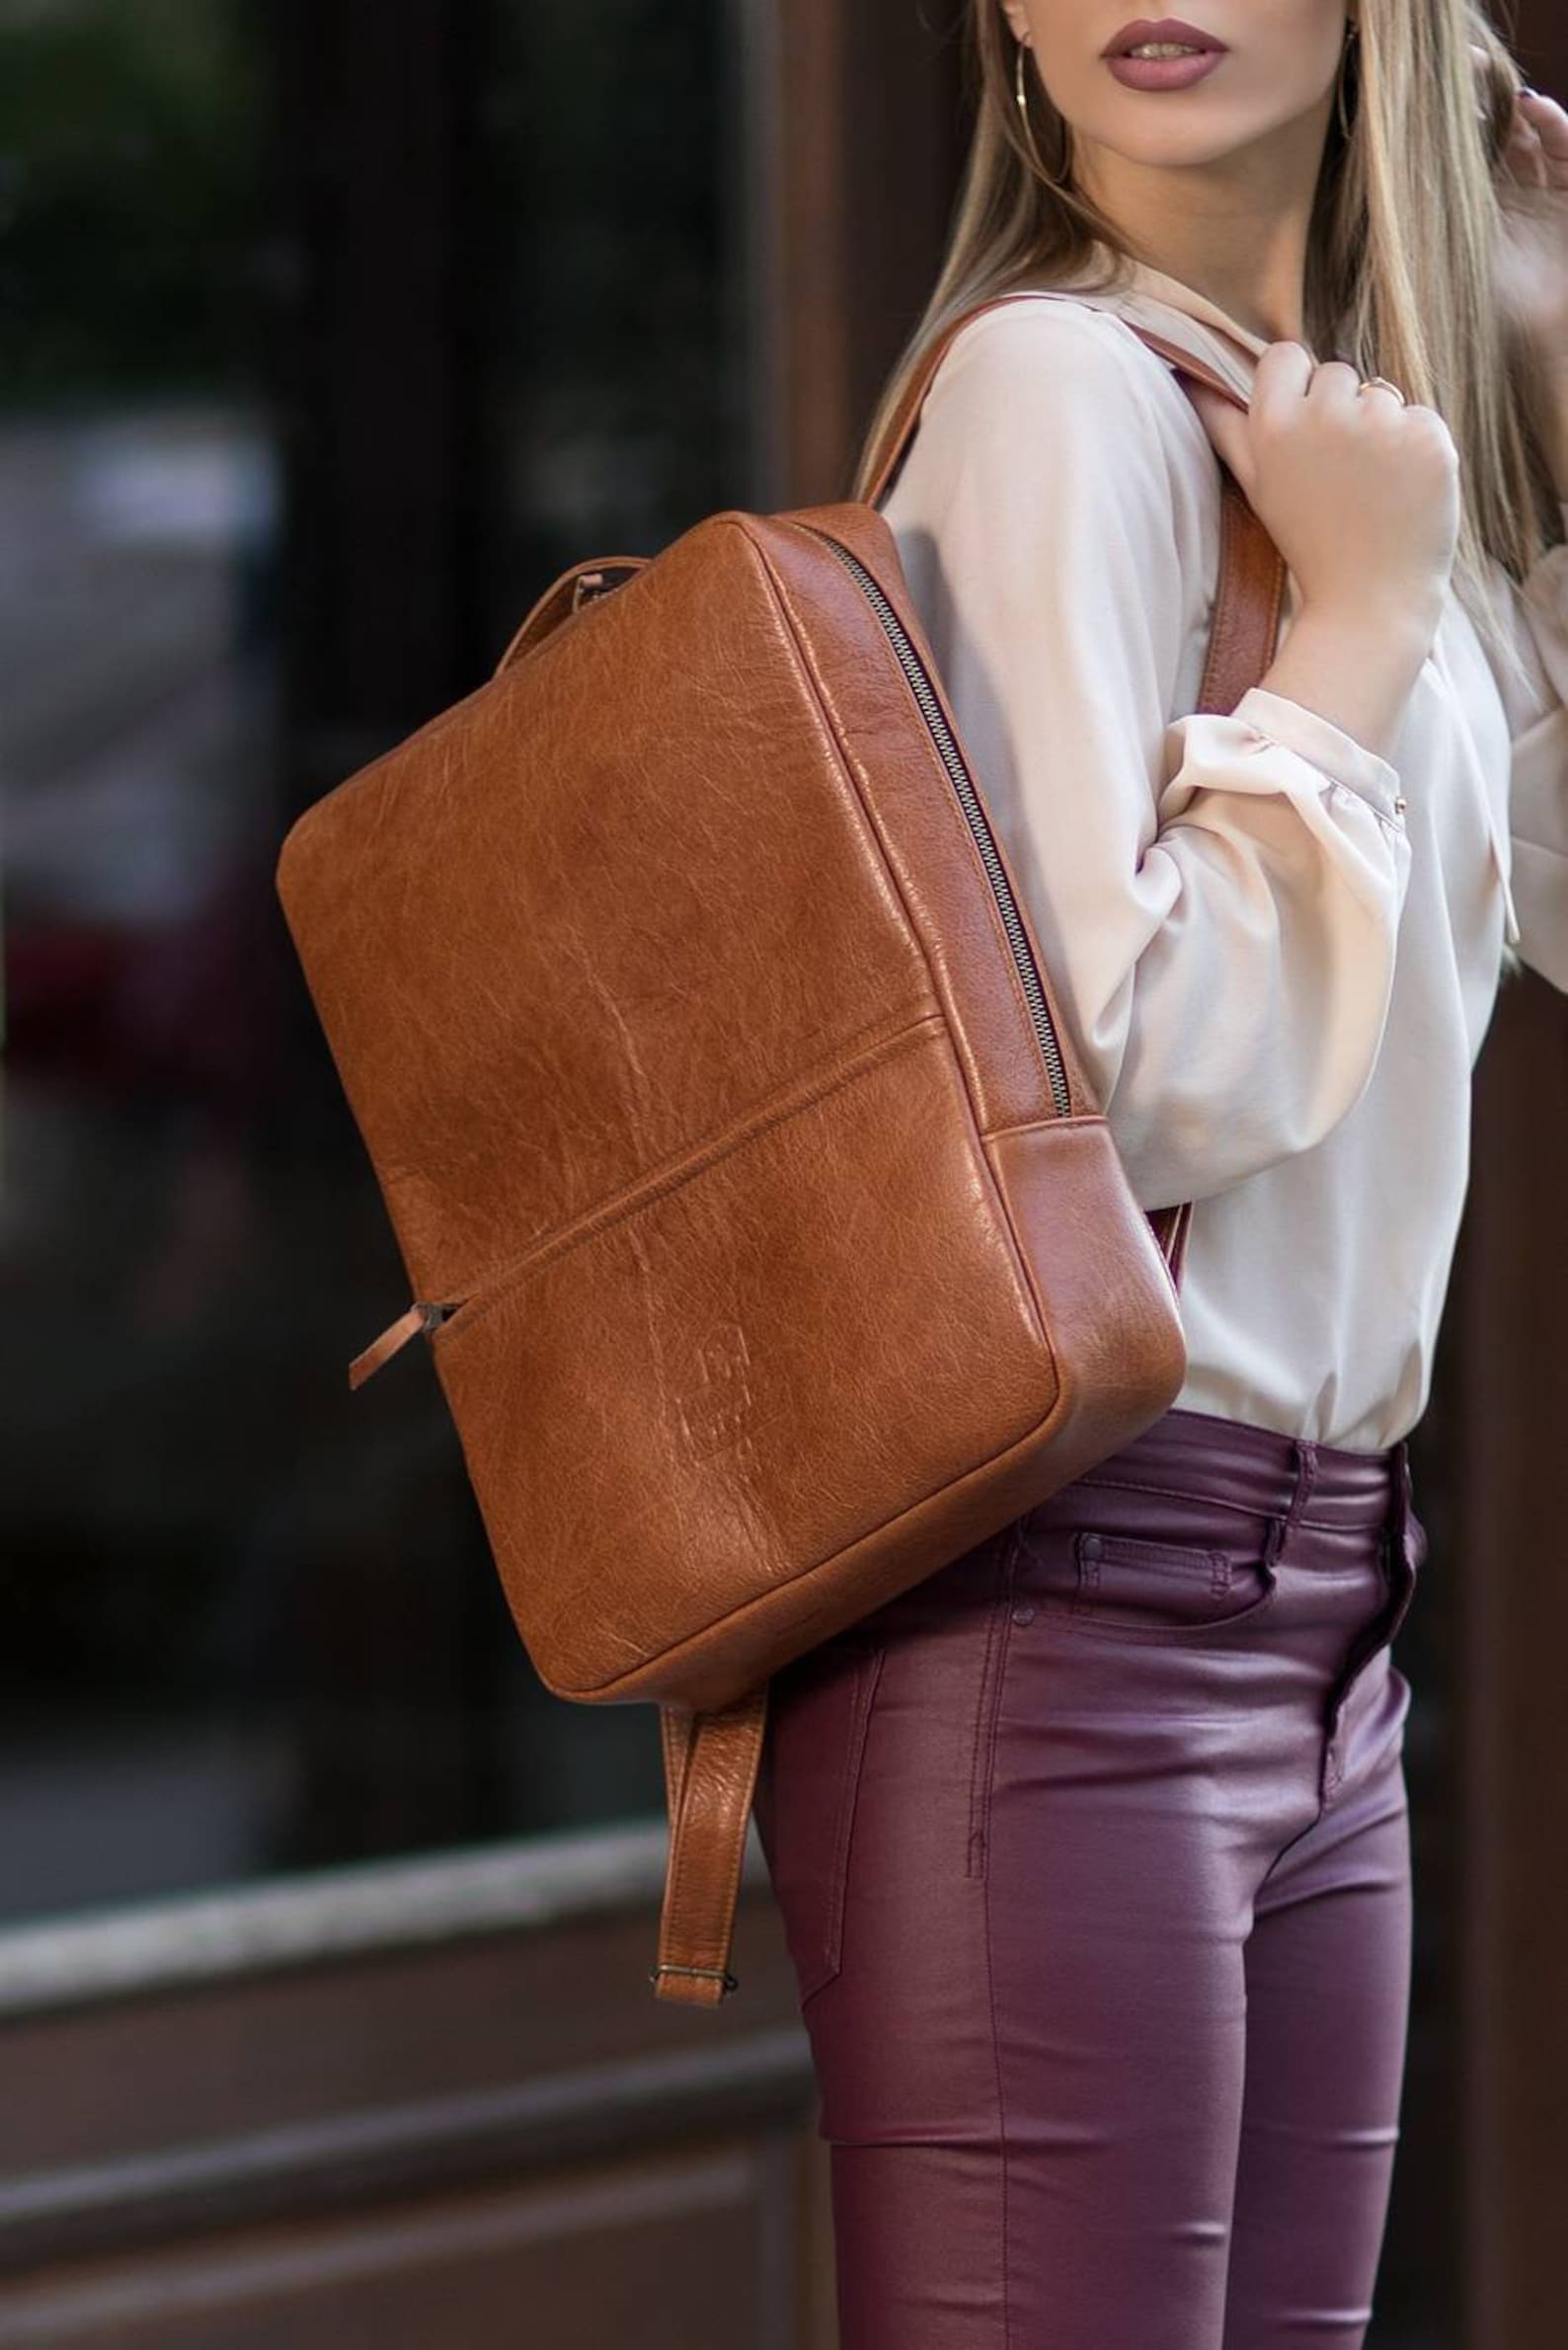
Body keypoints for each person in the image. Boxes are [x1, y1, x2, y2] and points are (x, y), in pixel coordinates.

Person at [750, 5, 1568, 2344]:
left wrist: (1522, 391)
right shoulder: (1057, 394)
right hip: (1059, 1615)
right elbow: (1108, 1085)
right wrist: (1343, 632)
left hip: (1318, 1632)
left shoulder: (1351, 460)